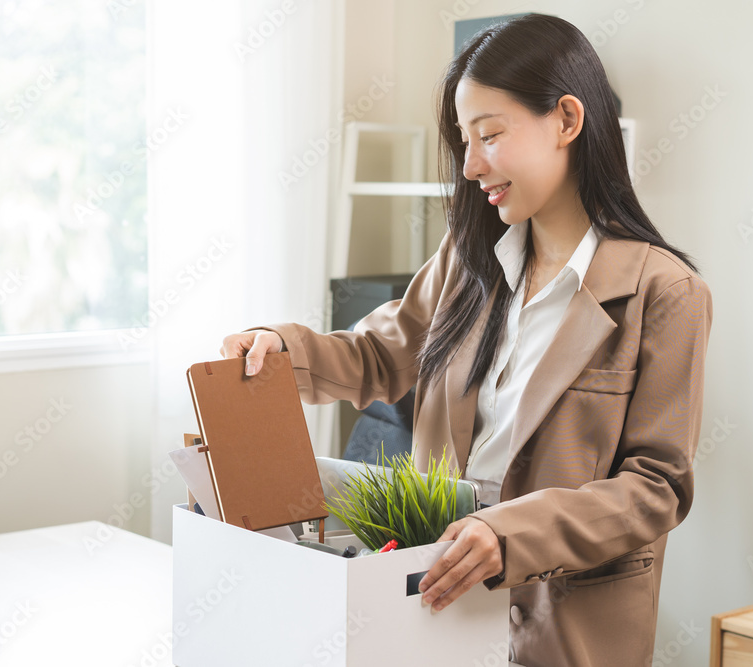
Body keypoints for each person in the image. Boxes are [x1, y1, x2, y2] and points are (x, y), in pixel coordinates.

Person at [221, 13, 712, 667]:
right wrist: (281, 349)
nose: (472, 164)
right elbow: (378, 354)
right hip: (433, 611)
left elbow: (656, 486)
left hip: (566, 631)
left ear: (567, 121)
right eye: (464, 141)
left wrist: (508, 534)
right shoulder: (468, 258)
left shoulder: (665, 292)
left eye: (489, 135)